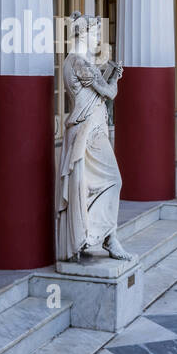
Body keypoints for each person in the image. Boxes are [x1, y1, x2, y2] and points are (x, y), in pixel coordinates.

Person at [56, 13, 130, 261]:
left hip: (90, 128)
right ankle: (98, 236)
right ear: (84, 33)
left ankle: (101, 236)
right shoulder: (80, 62)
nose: (98, 37)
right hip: (89, 131)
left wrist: (108, 74)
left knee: (88, 185)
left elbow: (97, 90)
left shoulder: (74, 61)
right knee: (112, 180)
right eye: (96, 32)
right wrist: (116, 77)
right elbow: (109, 93)